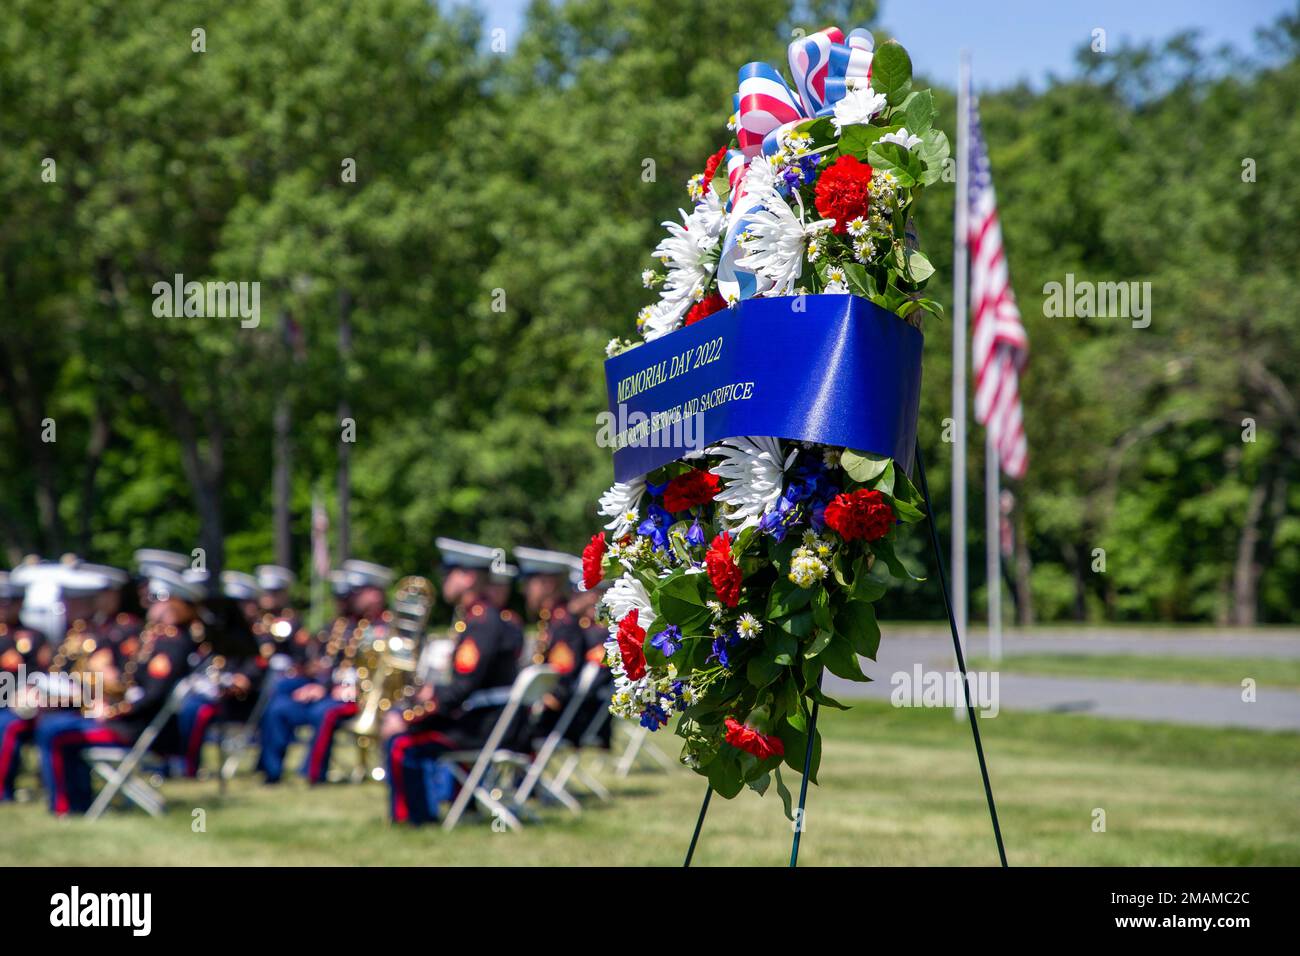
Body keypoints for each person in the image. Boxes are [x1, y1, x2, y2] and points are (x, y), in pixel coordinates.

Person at [34, 567, 202, 816]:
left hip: (134, 729)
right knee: (57, 725)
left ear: (173, 604)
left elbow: (151, 697)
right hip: (126, 722)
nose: (149, 604)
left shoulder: (172, 643)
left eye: (156, 599)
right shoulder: (153, 638)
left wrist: (112, 711)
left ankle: (66, 807)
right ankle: (77, 801)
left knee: (55, 732)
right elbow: (131, 684)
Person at [381, 539, 522, 825]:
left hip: (483, 726)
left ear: (468, 578)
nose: (444, 579)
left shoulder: (481, 623)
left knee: (401, 743)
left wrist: (411, 717)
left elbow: (462, 689)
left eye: (450, 573)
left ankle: (415, 819)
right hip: (484, 720)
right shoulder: (481, 619)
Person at [258, 560, 394, 785]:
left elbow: (382, 673)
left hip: (363, 696)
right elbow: (328, 664)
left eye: (357, 593)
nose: (350, 599)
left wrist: (331, 688)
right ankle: (271, 772)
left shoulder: (386, 627)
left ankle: (312, 774)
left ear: (375, 594)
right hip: (331, 691)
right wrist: (318, 684)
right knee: (279, 707)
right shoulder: (341, 625)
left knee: (323, 713)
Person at [176, 570, 264, 777]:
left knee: (194, 710)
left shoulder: (250, 636)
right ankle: (172, 763)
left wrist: (229, 681)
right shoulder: (204, 631)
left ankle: (187, 767)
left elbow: (248, 675)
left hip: (237, 700)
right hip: (204, 692)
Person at [513, 547, 588, 737]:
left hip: (550, 722)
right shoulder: (553, 619)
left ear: (547, 584)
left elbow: (560, 681)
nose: (523, 590)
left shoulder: (562, 624)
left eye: (529, 582)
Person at [0, 571, 50, 801]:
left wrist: (30, 690)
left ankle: (3, 790)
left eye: (7, 602)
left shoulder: (35, 636)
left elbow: (45, 673)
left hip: (21, 707)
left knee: (7, 726)